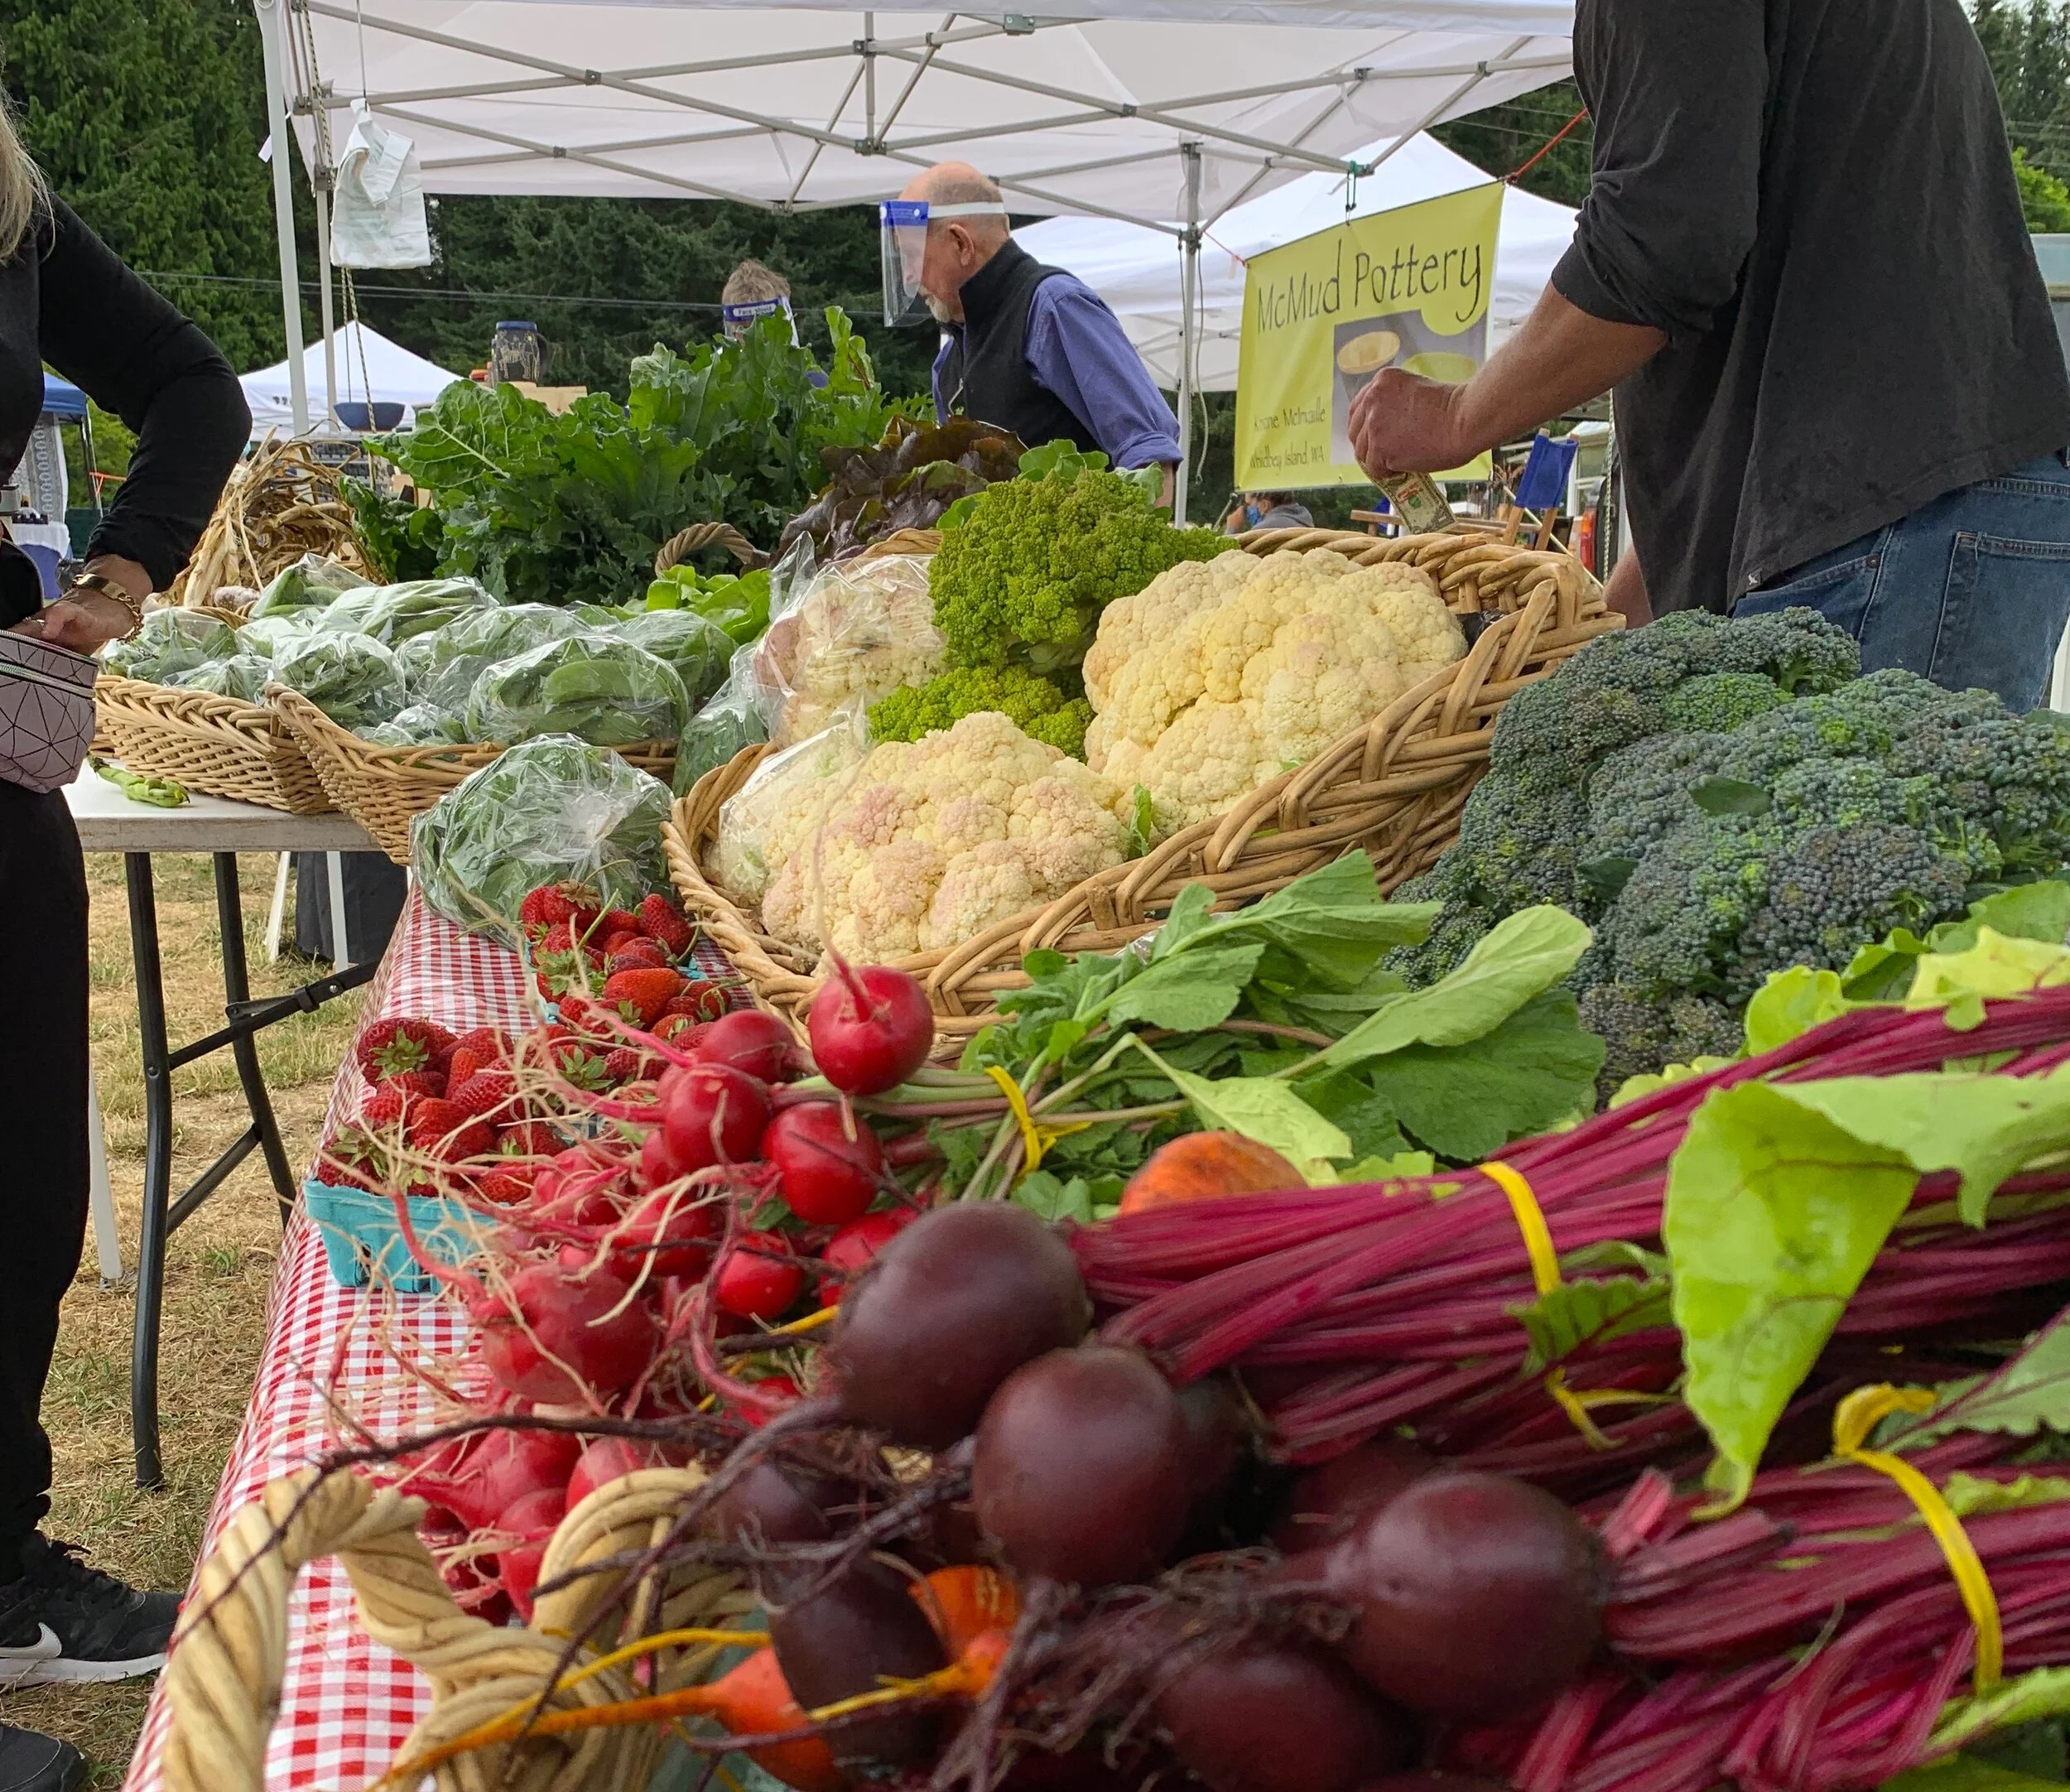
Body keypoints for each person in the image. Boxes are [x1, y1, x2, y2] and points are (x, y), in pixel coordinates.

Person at [1346, 0, 2070, 713]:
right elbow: (1761, 345)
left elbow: (1664, 245)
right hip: (1934, 507)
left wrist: (1458, 414)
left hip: (1887, 536)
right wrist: (1607, 626)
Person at [0, 97, 247, 1792]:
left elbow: (196, 384)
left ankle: (3, 1563)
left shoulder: (9, 204)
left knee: (19, 1166)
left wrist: (118, 571)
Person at [894, 162, 1182, 482]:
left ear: (961, 244)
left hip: (1083, 532)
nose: (908, 274)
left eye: (912, 255)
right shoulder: (948, 363)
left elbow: (1151, 461)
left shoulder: (1052, 307)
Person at [1222, 491, 1314, 533]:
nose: (1246, 511)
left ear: (1265, 505)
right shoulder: (1305, 521)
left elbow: (1229, 564)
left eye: (1248, 505)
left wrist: (1232, 531)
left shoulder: (1262, 531)